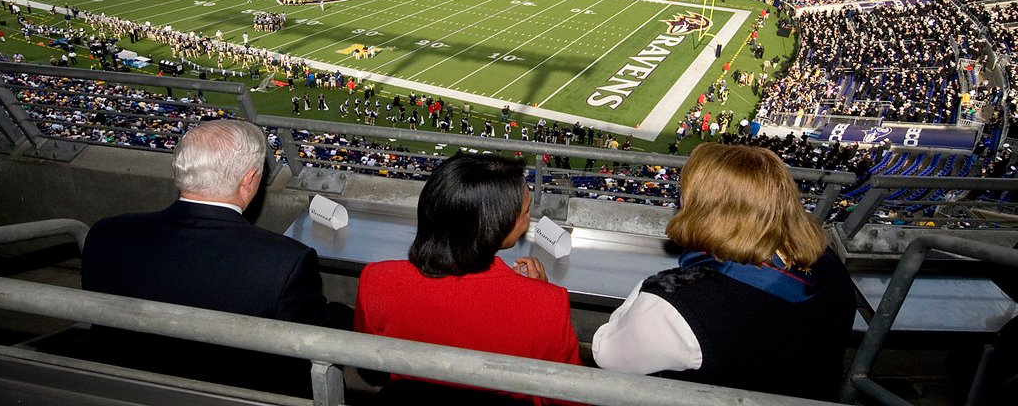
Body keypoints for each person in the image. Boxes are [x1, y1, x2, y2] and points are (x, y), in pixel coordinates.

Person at [81, 119, 351, 392]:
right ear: (249, 180)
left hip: (121, 390)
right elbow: (310, 341)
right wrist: (346, 314)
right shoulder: (285, 262)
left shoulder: (106, 234)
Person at [592, 143, 856, 400]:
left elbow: (606, 353)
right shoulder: (829, 265)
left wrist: (650, 286)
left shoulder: (679, 306)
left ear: (704, 209)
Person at [355, 153, 581, 404]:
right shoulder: (548, 304)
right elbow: (568, 398)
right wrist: (537, 294)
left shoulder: (376, 279)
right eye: (526, 210)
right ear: (496, 224)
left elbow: (372, 371)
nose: (529, 219)